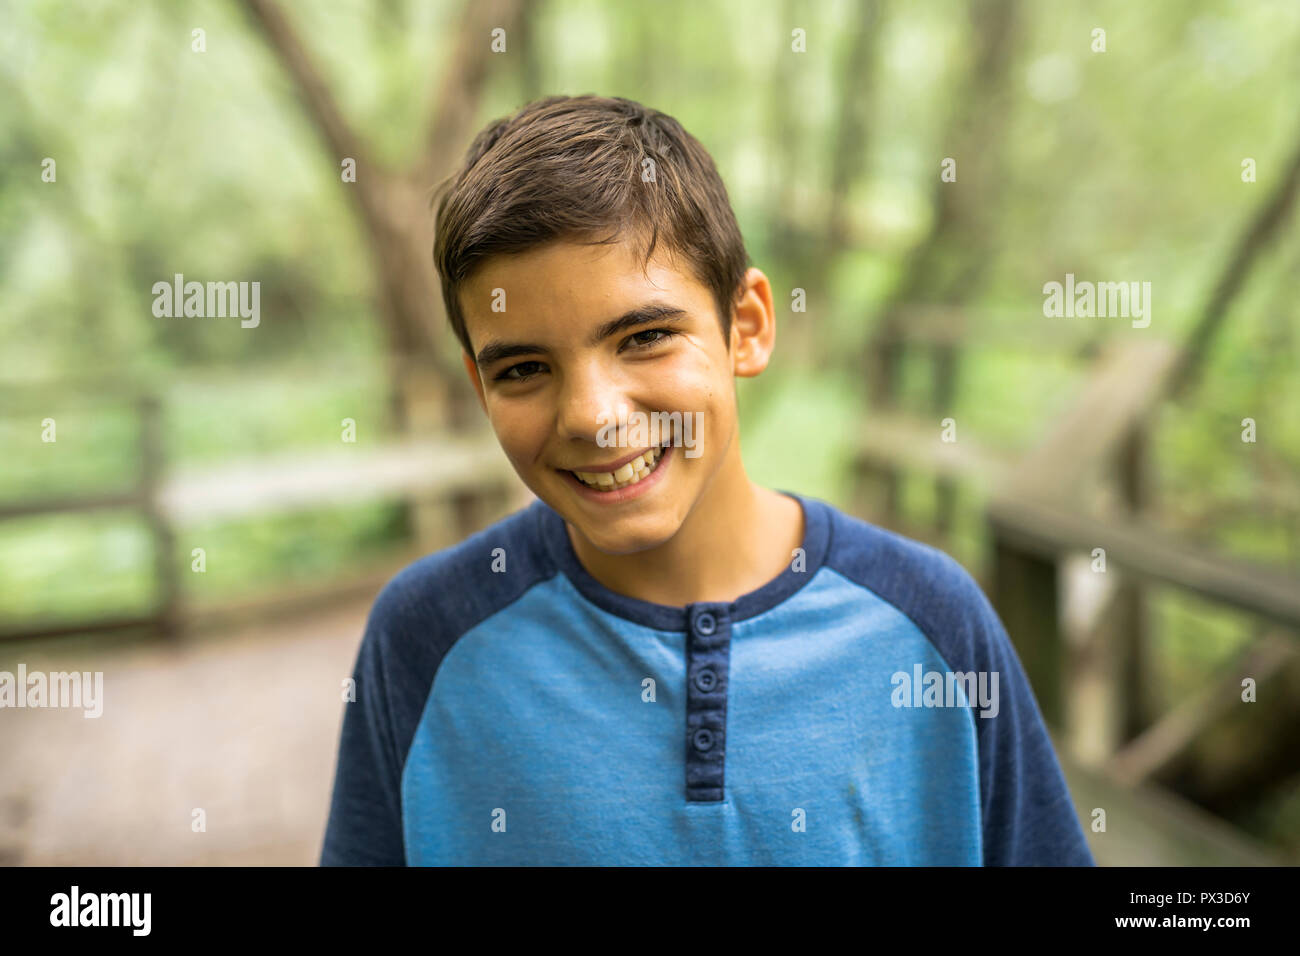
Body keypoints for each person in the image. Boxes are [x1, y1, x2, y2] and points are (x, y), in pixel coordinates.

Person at [320, 95, 1095, 866]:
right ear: (480, 385)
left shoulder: (933, 624)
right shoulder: (424, 637)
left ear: (747, 326)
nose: (592, 417)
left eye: (646, 336)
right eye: (524, 369)